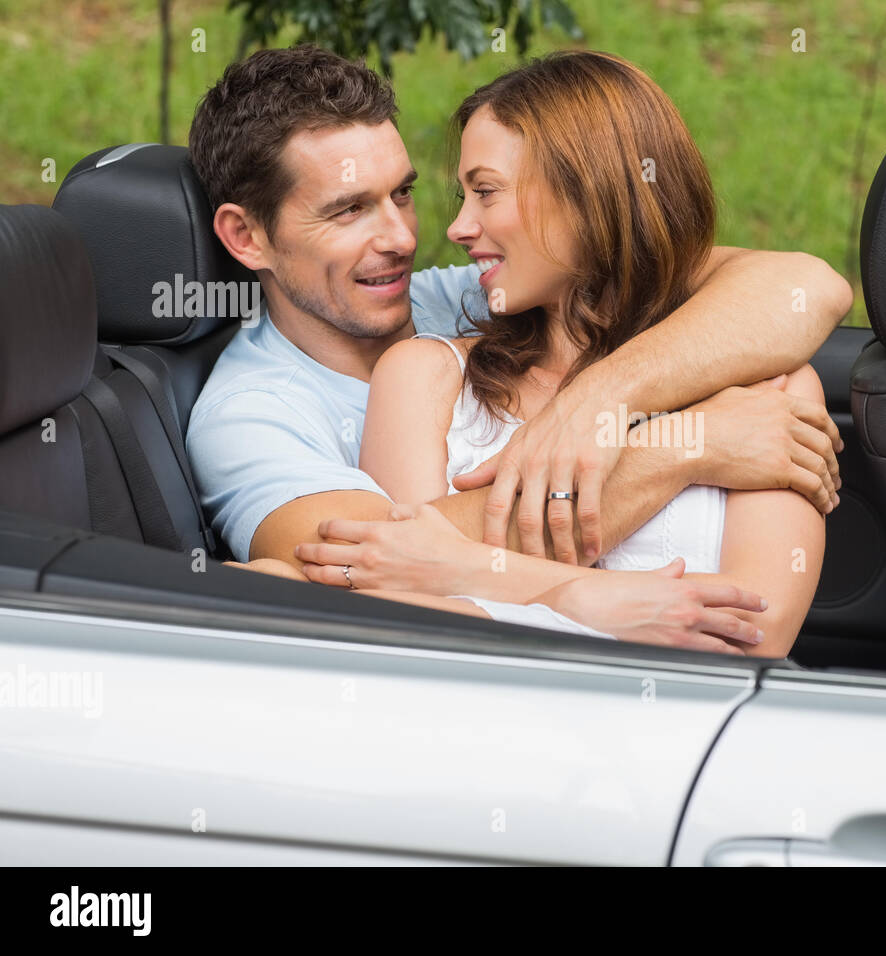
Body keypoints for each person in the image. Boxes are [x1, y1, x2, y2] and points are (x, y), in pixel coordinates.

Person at [185, 45, 852, 653]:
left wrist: (601, 399)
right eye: (348, 209)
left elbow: (807, 287)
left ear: (588, 197)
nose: (406, 239)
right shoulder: (251, 415)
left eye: (403, 194)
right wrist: (684, 450)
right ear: (247, 237)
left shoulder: (483, 296)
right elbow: (378, 574)